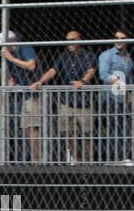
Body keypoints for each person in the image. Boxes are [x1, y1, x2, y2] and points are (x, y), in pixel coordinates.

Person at [35, 30, 96, 164]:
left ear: (79, 40)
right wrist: (40, 81)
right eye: (67, 40)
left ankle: (91, 162)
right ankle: (78, 161)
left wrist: (82, 82)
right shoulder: (63, 56)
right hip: (66, 102)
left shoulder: (88, 55)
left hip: (83, 102)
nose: (69, 43)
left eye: (72, 40)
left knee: (87, 134)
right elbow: (53, 70)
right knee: (69, 134)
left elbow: (91, 70)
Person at [0, 31, 41, 162]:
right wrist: (11, 80)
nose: (7, 48)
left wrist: (11, 58)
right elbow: (14, 74)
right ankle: (32, 159)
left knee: (33, 127)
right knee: (26, 129)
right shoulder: (10, 54)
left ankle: (37, 160)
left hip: (33, 93)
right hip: (21, 94)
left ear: (14, 40)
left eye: (8, 44)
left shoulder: (24, 47)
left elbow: (31, 65)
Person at [98, 29, 134, 164]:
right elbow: (103, 74)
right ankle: (112, 157)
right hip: (109, 96)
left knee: (122, 127)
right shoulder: (106, 55)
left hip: (122, 97)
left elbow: (129, 78)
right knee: (112, 127)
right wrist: (117, 81)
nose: (119, 41)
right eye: (116, 38)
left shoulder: (128, 57)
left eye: (122, 38)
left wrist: (131, 95)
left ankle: (120, 156)